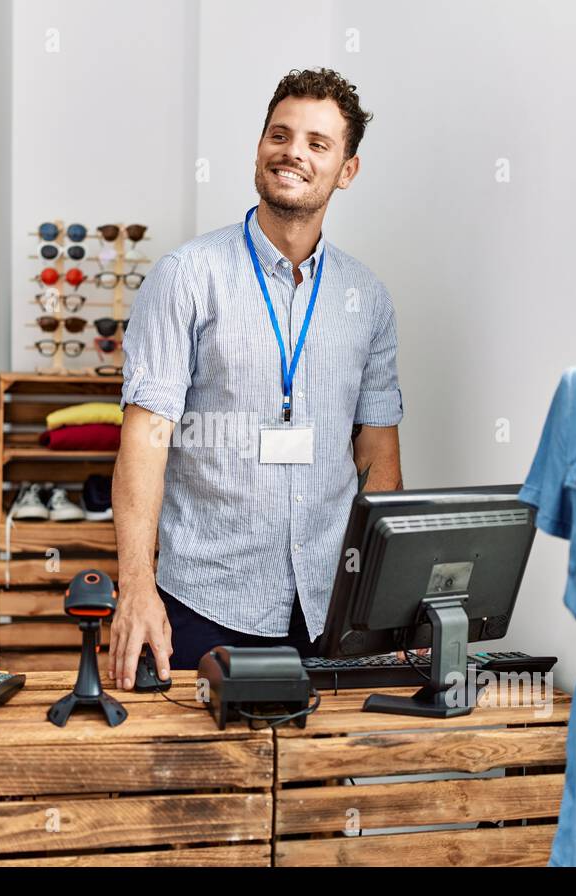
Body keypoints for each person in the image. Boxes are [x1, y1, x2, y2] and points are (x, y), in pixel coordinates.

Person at [110, 67, 404, 689]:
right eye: (280, 134)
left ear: (347, 170)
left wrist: (388, 601)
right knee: (200, 779)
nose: (293, 151)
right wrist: (136, 588)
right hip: (205, 602)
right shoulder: (186, 277)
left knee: (320, 781)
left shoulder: (367, 300)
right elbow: (145, 438)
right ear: (260, 147)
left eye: (318, 143)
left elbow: (378, 456)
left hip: (330, 606)